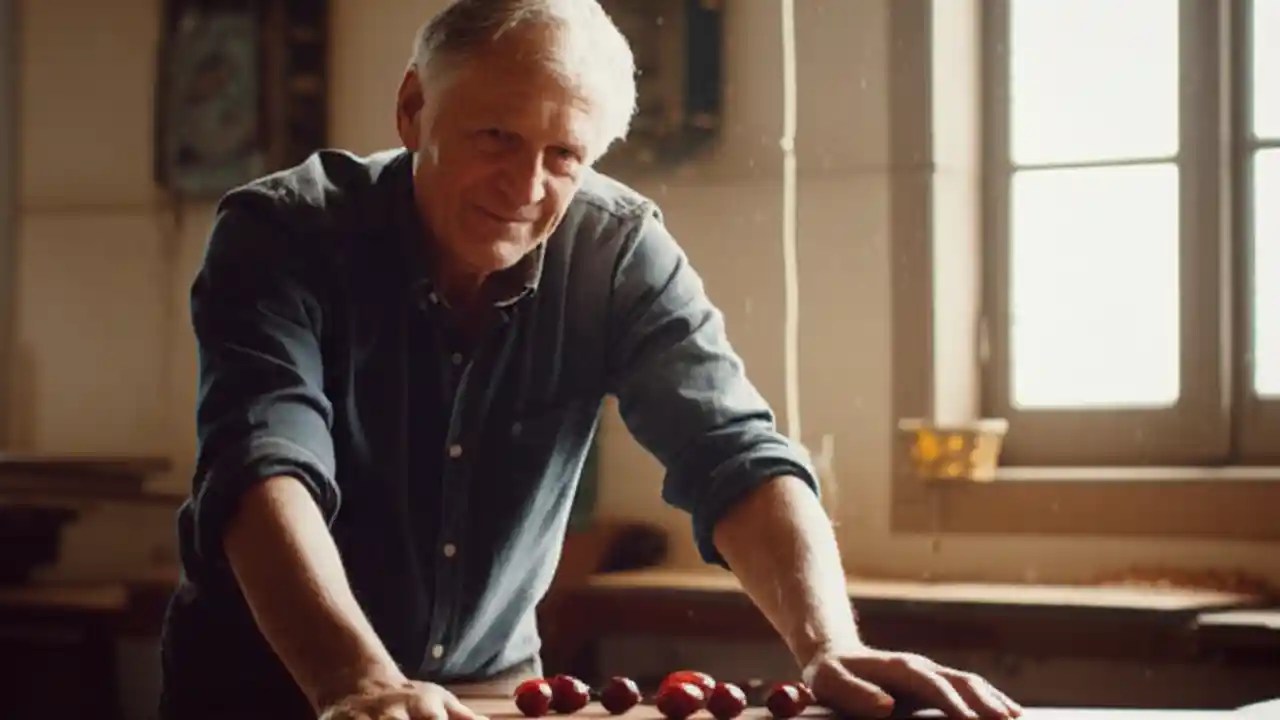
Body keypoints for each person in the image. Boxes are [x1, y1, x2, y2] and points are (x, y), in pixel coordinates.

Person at [159, 1, 1023, 719]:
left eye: (564, 155)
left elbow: (734, 454)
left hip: (493, 699)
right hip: (273, 694)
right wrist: (358, 682)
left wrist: (831, 643)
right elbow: (264, 466)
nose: (525, 186)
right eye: (495, 136)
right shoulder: (282, 233)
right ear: (414, 107)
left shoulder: (617, 248)